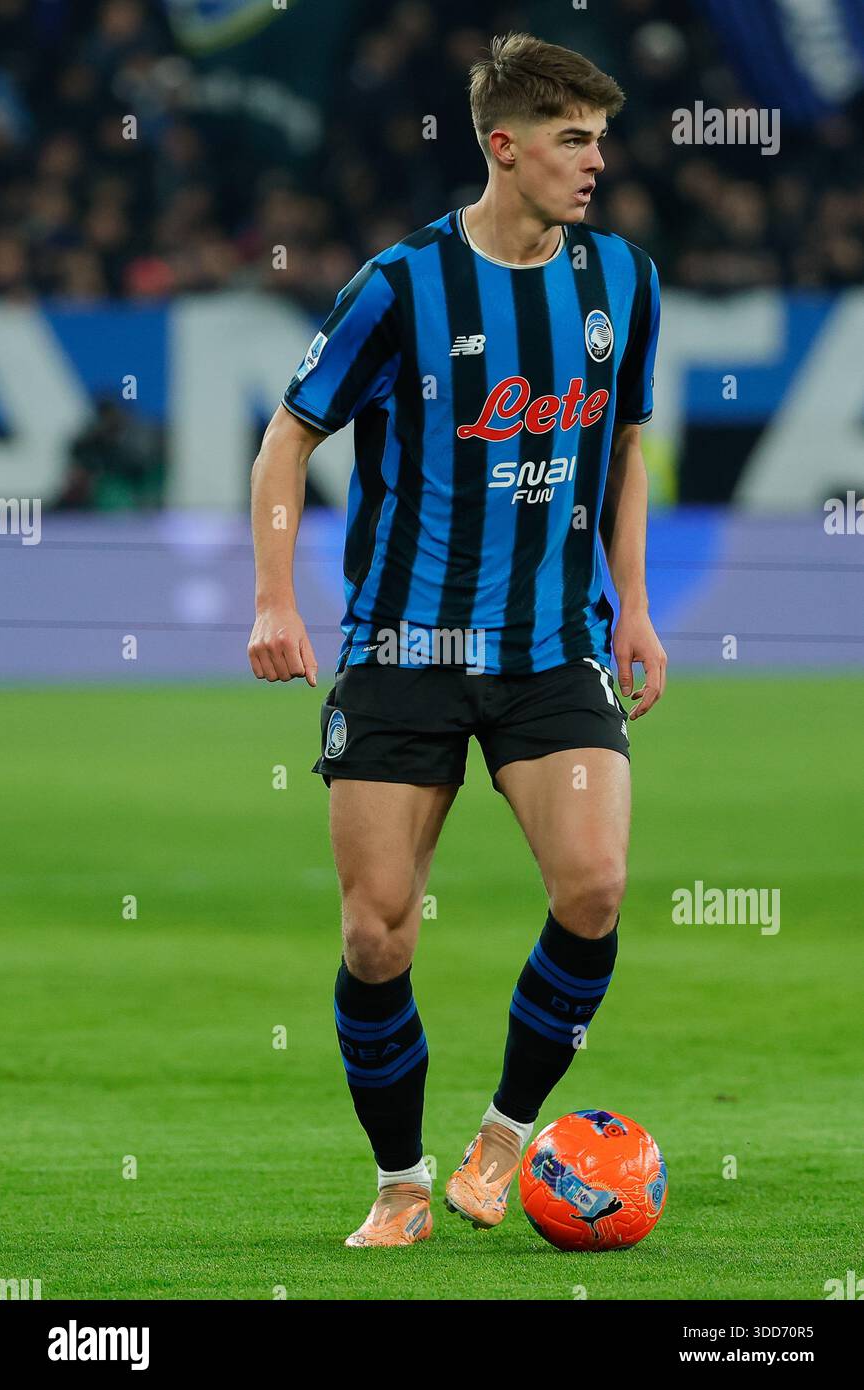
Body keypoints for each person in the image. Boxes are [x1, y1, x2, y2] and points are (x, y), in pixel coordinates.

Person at [248, 31, 666, 1248]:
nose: (595, 162)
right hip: (401, 650)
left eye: (600, 139)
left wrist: (630, 605)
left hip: (550, 647)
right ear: (504, 146)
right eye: (572, 140)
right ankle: (399, 1183)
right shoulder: (398, 285)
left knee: (591, 888)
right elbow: (288, 437)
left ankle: (505, 1135)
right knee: (378, 929)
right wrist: (277, 598)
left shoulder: (622, 280)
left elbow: (626, 448)